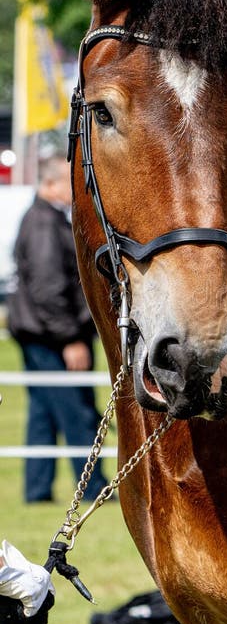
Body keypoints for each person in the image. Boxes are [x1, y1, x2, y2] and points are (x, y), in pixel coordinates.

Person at [6, 154, 108, 503]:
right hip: (51, 336)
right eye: (68, 184)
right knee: (76, 411)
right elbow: (48, 289)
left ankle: (37, 490)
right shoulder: (44, 225)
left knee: (44, 413)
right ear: (50, 185)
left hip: (38, 332)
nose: (75, 190)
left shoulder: (45, 219)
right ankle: (93, 487)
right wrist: (70, 339)